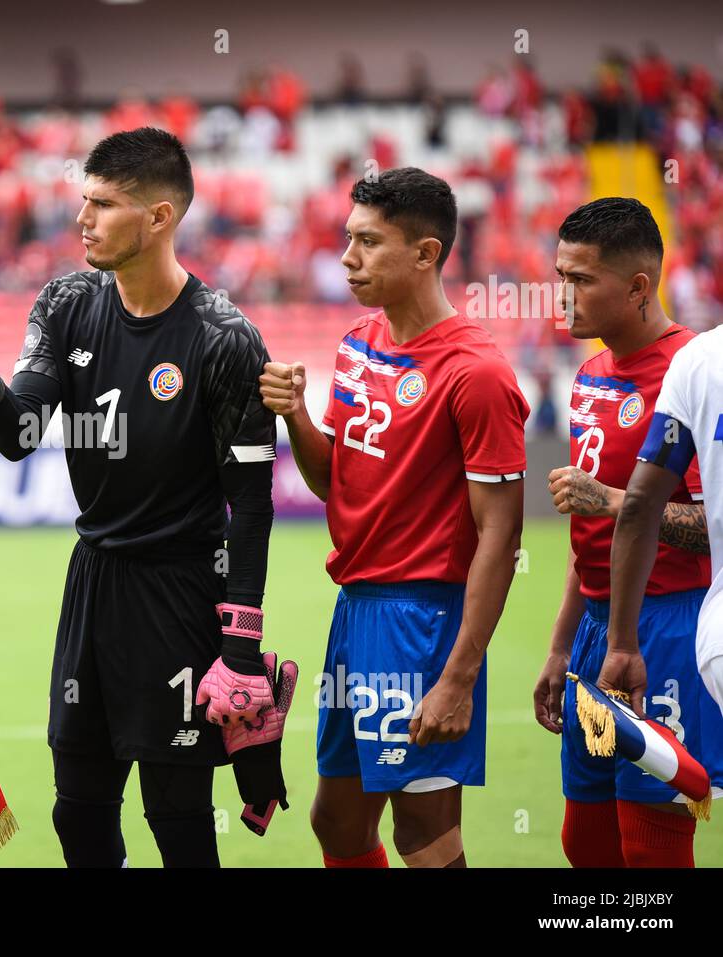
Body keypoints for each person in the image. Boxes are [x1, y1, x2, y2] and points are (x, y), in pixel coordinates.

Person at [0, 128, 279, 868]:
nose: (83, 219)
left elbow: (254, 502)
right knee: (77, 814)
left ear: (160, 216)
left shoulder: (225, 338)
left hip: (181, 594)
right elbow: (20, 434)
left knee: (179, 825)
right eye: (83, 200)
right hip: (94, 581)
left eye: (103, 204)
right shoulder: (67, 301)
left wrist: (239, 649)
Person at [261, 167, 528, 867]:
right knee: (336, 824)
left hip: (423, 622)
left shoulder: (477, 372)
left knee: (424, 835)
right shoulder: (358, 342)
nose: (346, 257)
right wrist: (296, 416)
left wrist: (459, 675)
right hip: (354, 611)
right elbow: (333, 484)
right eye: (348, 238)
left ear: (426, 253)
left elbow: (501, 535)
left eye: (368, 242)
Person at [535, 197, 720, 868]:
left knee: (652, 840)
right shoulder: (589, 375)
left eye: (582, 280)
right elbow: (590, 540)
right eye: (561, 275)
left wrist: (618, 501)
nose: (564, 296)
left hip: (664, 631)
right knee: (585, 840)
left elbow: (712, 526)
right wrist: (560, 647)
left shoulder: (696, 373)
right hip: (594, 636)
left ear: (639, 287)